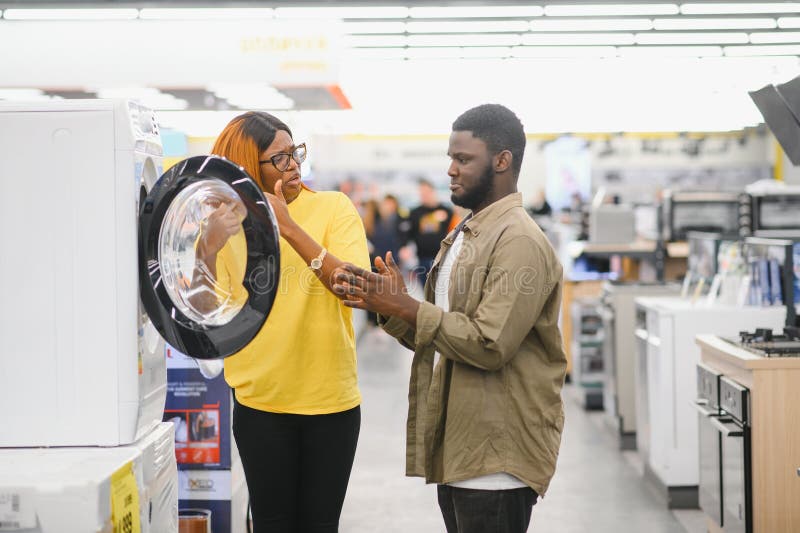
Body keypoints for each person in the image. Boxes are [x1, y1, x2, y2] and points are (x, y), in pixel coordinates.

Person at [333, 104, 567, 533]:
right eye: (450, 159)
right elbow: (439, 333)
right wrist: (389, 306)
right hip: (463, 446)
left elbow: (488, 343)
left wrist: (405, 306)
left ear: (502, 161)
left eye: (463, 159)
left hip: (497, 454)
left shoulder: (518, 241)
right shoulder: (467, 233)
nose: (451, 171)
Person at [205, 111, 370, 533]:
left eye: (294, 152)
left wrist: (290, 228)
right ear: (246, 167)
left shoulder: (333, 208)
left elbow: (354, 287)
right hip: (261, 402)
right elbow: (208, 312)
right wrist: (207, 249)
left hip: (330, 400)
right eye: (279, 158)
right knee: (273, 524)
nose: (294, 164)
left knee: (320, 524)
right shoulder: (225, 227)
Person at [407, 178, 458, 284]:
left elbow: (455, 231)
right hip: (422, 258)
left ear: (432, 191)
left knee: (441, 289)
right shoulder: (415, 213)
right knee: (425, 290)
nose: (423, 195)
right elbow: (408, 233)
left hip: (442, 258)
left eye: (426, 192)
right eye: (421, 193)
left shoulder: (446, 211)